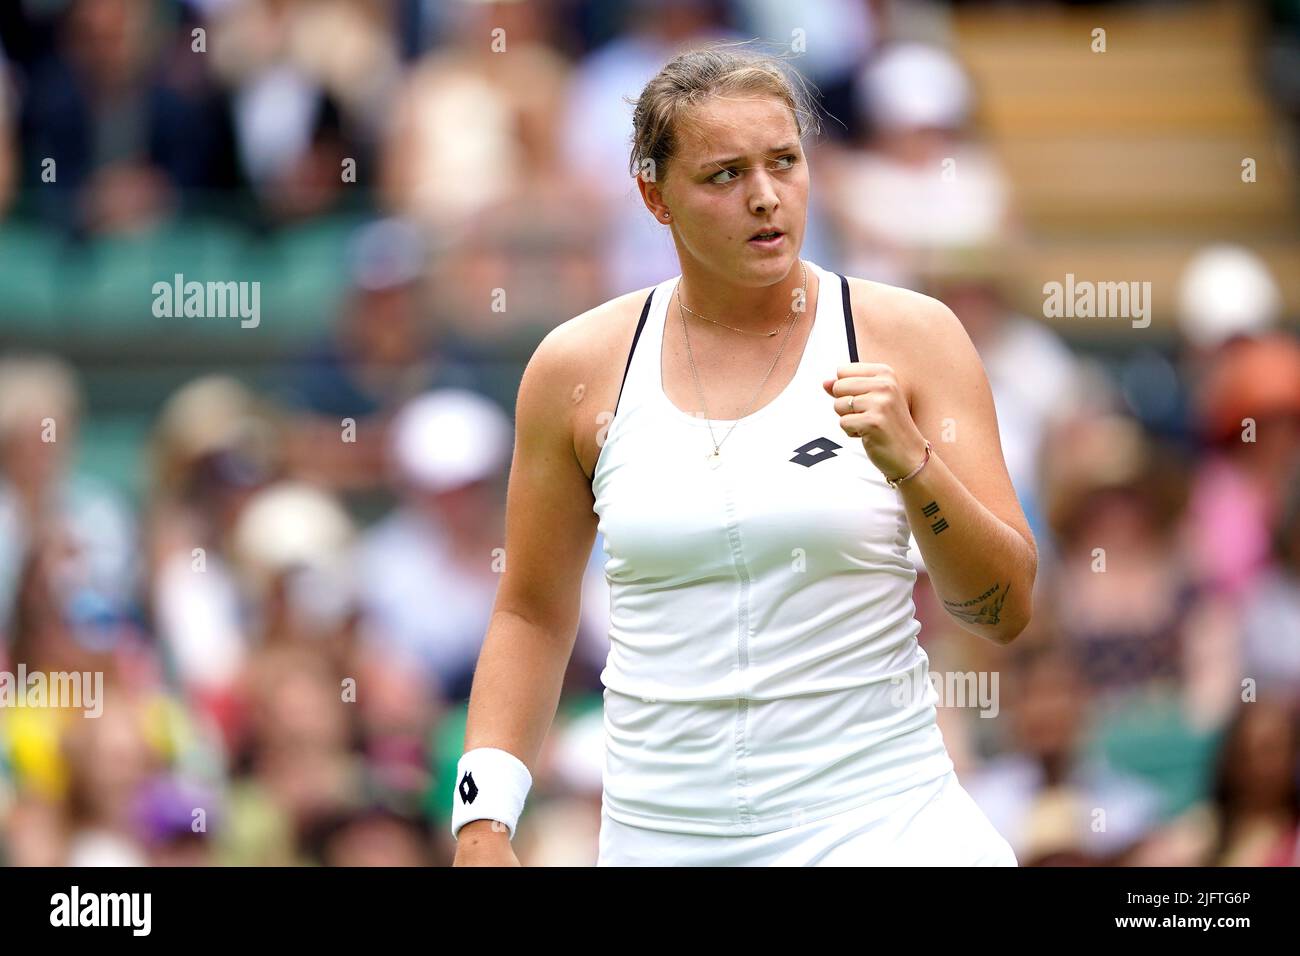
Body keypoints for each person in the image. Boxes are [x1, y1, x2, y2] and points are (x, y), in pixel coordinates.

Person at [451, 42, 1037, 867]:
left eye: (785, 162)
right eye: (724, 175)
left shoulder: (915, 337)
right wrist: (483, 819)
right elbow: (531, 612)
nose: (766, 198)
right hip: (659, 840)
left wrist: (912, 462)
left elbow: (1001, 610)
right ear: (655, 197)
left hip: (888, 830)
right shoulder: (575, 368)